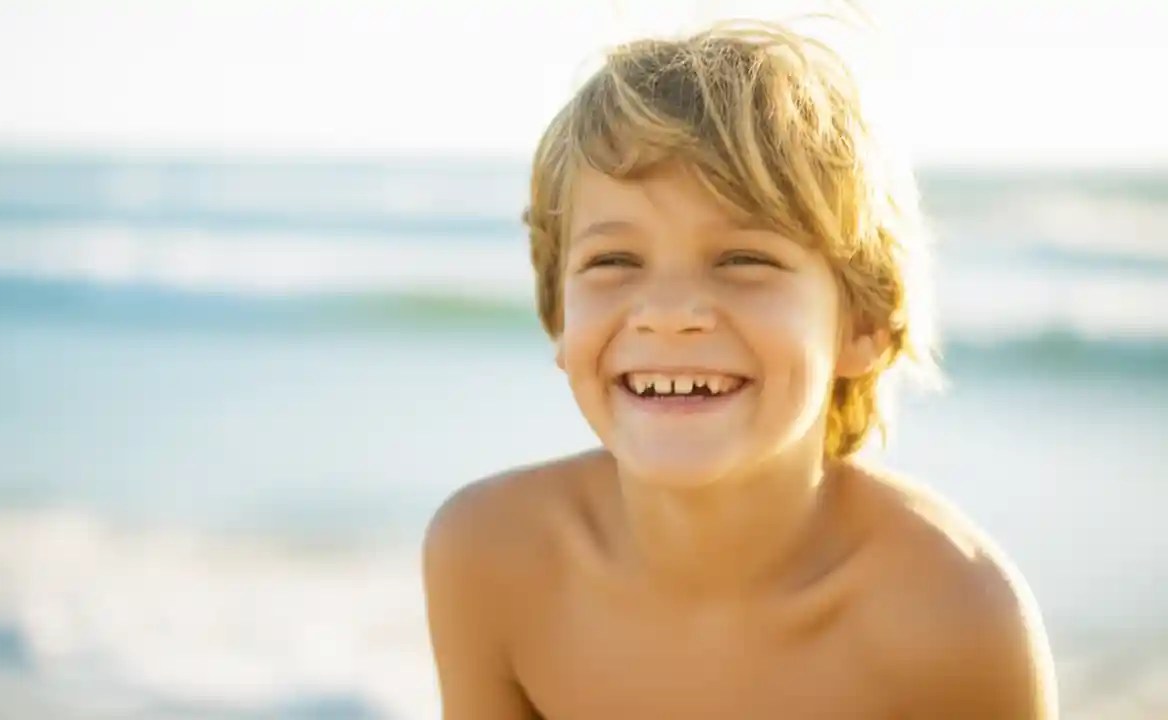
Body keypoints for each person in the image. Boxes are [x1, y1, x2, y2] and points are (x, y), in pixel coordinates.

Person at [422, 18, 1057, 719]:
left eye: (744, 260)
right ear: (560, 316)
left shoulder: (953, 618)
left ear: (865, 323)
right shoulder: (491, 559)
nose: (668, 313)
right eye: (613, 261)